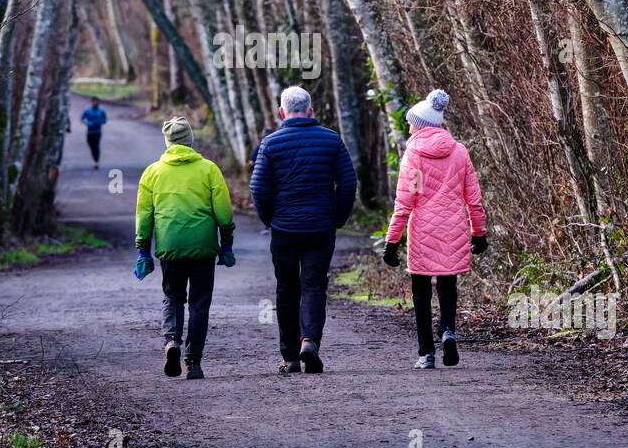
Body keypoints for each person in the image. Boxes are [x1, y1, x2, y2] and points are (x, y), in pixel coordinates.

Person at [250, 85, 356, 375]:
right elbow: (348, 183)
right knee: (314, 285)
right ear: (311, 111)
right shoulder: (332, 140)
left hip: (284, 229)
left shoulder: (270, 144)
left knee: (286, 289)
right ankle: (309, 340)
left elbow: (258, 188)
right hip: (321, 227)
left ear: (282, 112)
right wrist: (338, 217)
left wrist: (269, 219)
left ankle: (290, 357)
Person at [382, 89, 487, 369]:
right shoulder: (460, 152)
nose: (408, 126)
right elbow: (473, 199)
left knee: (421, 293)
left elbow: (405, 202)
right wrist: (479, 233)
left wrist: (392, 241)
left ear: (421, 125)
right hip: (454, 228)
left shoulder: (413, 156)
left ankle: (426, 353)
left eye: (411, 121)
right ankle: (449, 331)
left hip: (423, 231)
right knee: (448, 286)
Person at [134, 116, 236, 379]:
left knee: (173, 296)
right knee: (200, 303)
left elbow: (144, 215)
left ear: (167, 142)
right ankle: (194, 362)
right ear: (190, 140)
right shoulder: (209, 169)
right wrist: (227, 244)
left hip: (170, 246)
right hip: (203, 247)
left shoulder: (153, 172)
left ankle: (172, 342)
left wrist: (143, 249)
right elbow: (224, 211)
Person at [81, 97, 107, 169]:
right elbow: (82, 118)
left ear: (99, 103)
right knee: (90, 144)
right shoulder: (88, 110)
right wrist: (87, 123)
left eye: (97, 102)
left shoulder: (101, 111)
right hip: (90, 131)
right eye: (94, 102)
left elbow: (105, 119)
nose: (95, 103)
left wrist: (100, 122)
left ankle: (96, 162)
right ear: (92, 102)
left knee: (96, 146)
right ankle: (95, 159)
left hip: (97, 131)